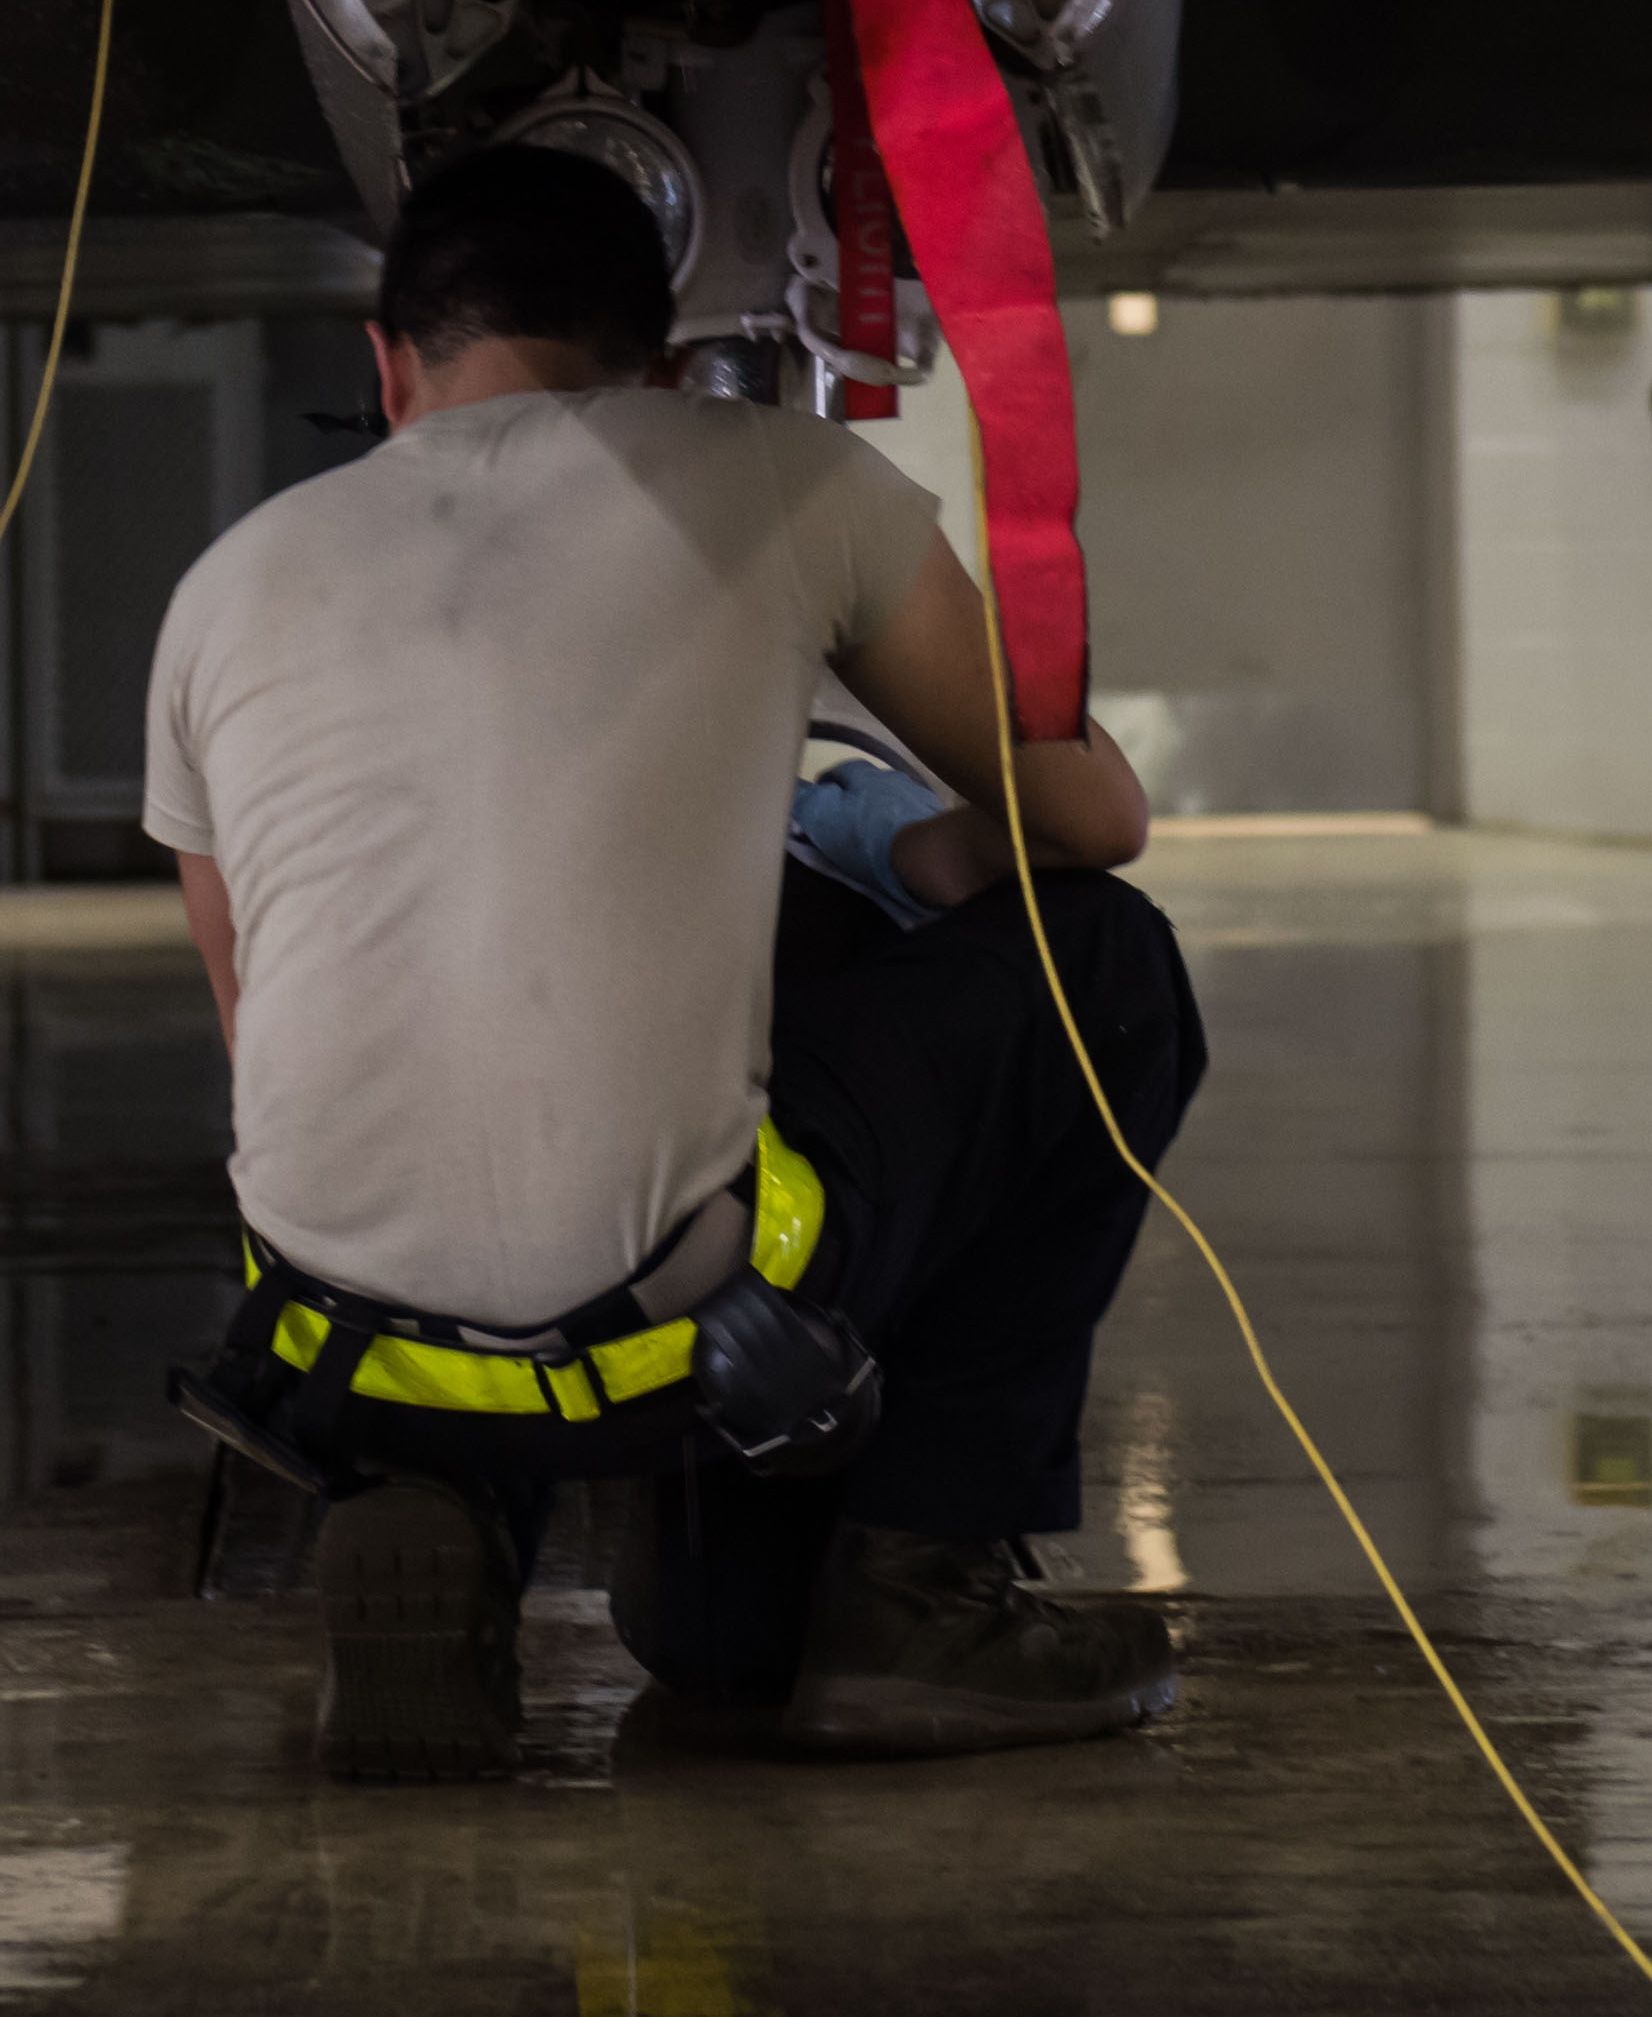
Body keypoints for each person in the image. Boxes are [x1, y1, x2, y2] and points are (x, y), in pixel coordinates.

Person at [145, 138, 1203, 1782]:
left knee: (719, 1644)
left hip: (328, 1338)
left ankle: (433, 1504)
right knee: (1106, 965)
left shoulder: (225, 581)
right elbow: (1094, 819)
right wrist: (885, 834)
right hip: (666, 1330)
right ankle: (919, 1597)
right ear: (659, 361)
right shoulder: (776, 474)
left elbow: (256, 1003)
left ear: (387, 360)